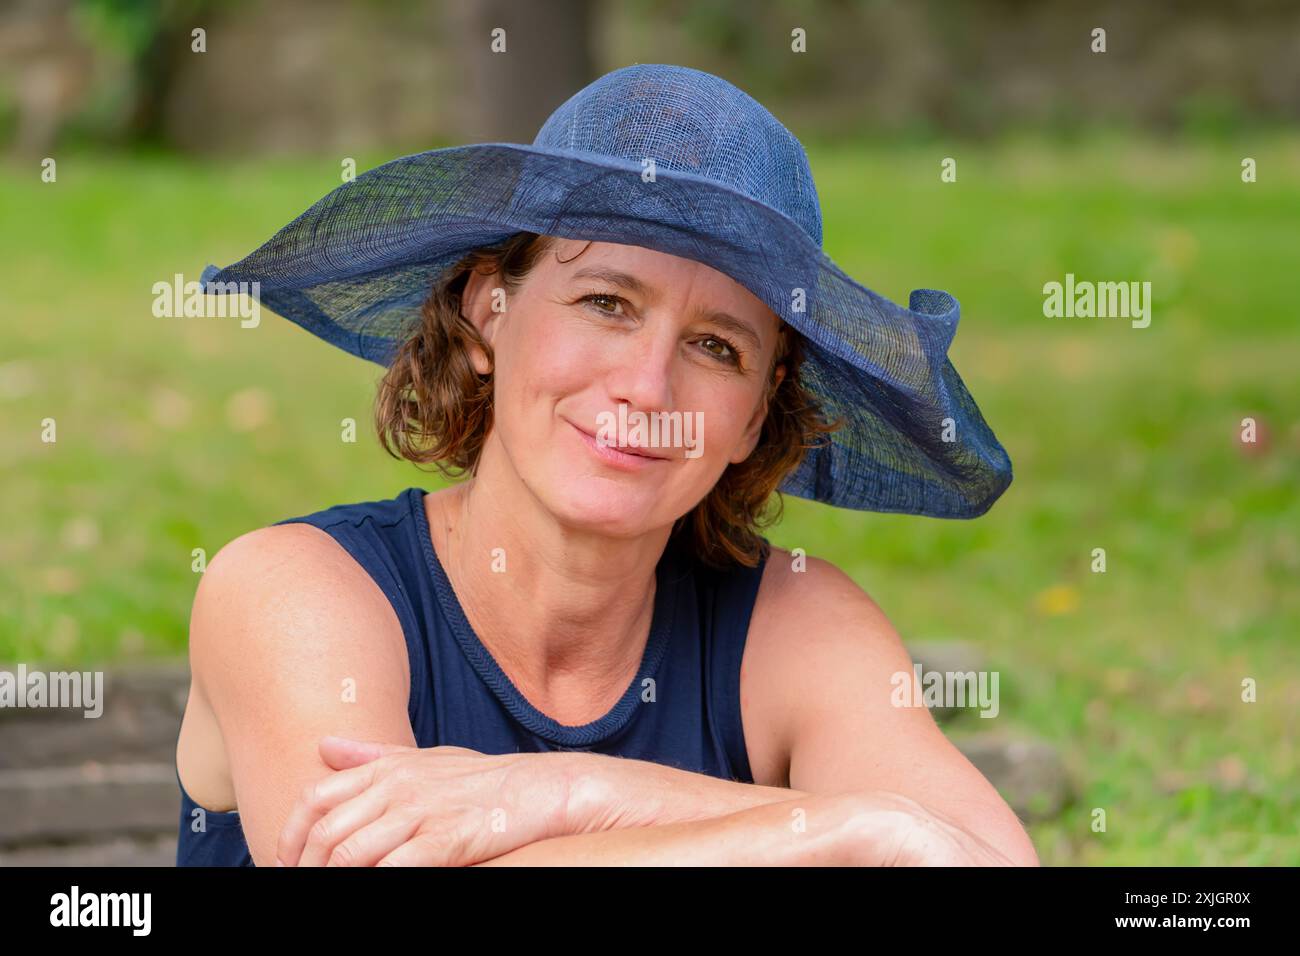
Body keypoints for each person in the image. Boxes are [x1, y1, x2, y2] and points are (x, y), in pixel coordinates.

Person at [174, 63, 1031, 866]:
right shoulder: (293, 594)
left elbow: (977, 860)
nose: (646, 386)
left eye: (715, 347)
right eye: (605, 303)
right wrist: (845, 830)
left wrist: (568, 790)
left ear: (756, 415)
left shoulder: (795, 626)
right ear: (488, 314)